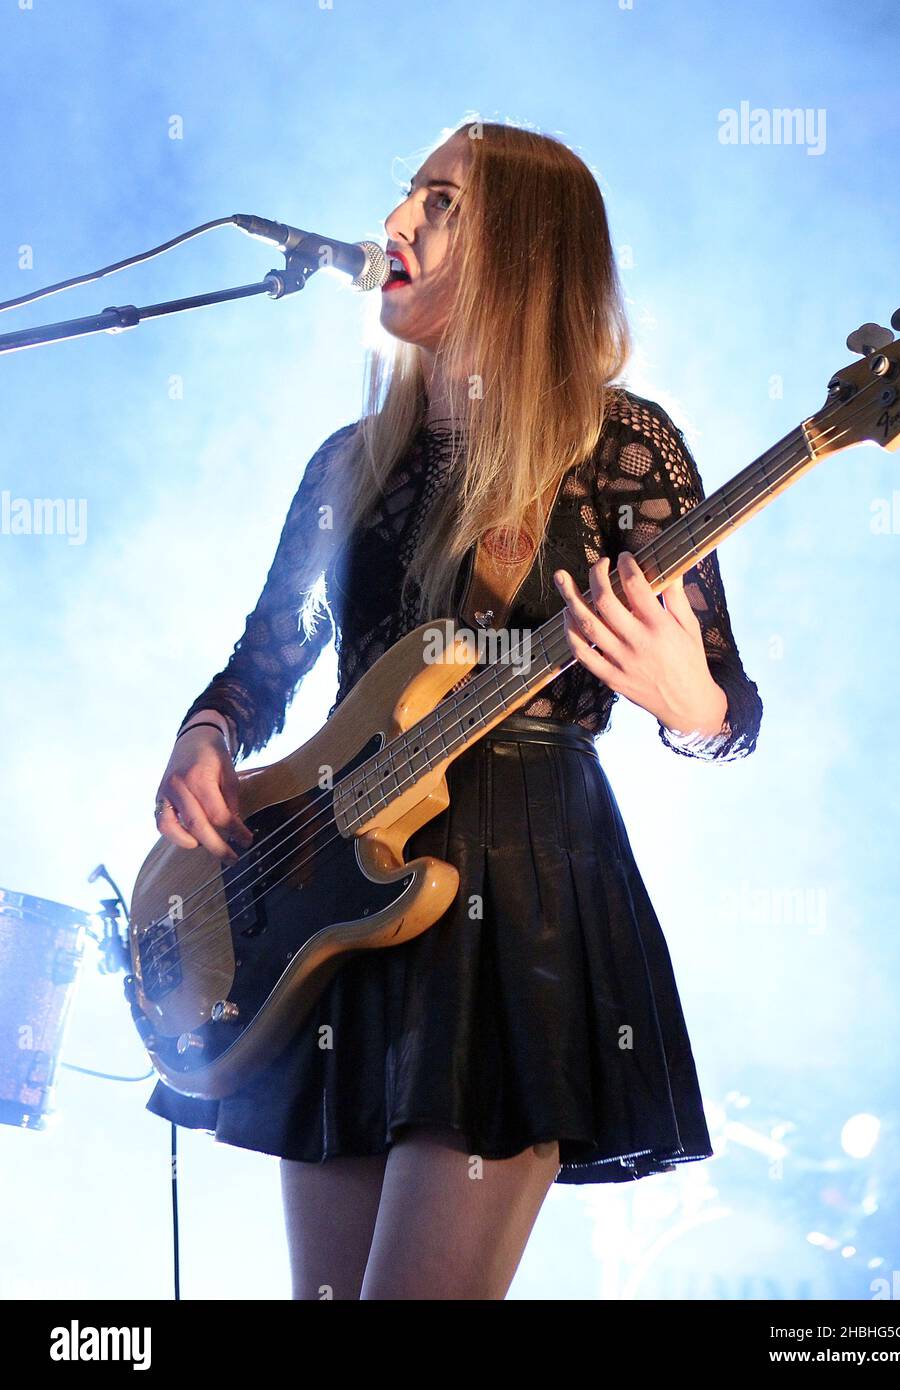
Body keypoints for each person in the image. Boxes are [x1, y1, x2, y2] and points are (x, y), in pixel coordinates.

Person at [146, 119, 763, 1300]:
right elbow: (264, 664)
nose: (396, 225)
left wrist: (689, 704)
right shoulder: (352, 461)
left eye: (439, 204)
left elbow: (724, 702)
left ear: (526, 251)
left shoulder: (616, 445)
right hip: (333, 895)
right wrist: (207, 735)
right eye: (407, 196)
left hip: (518, 889)